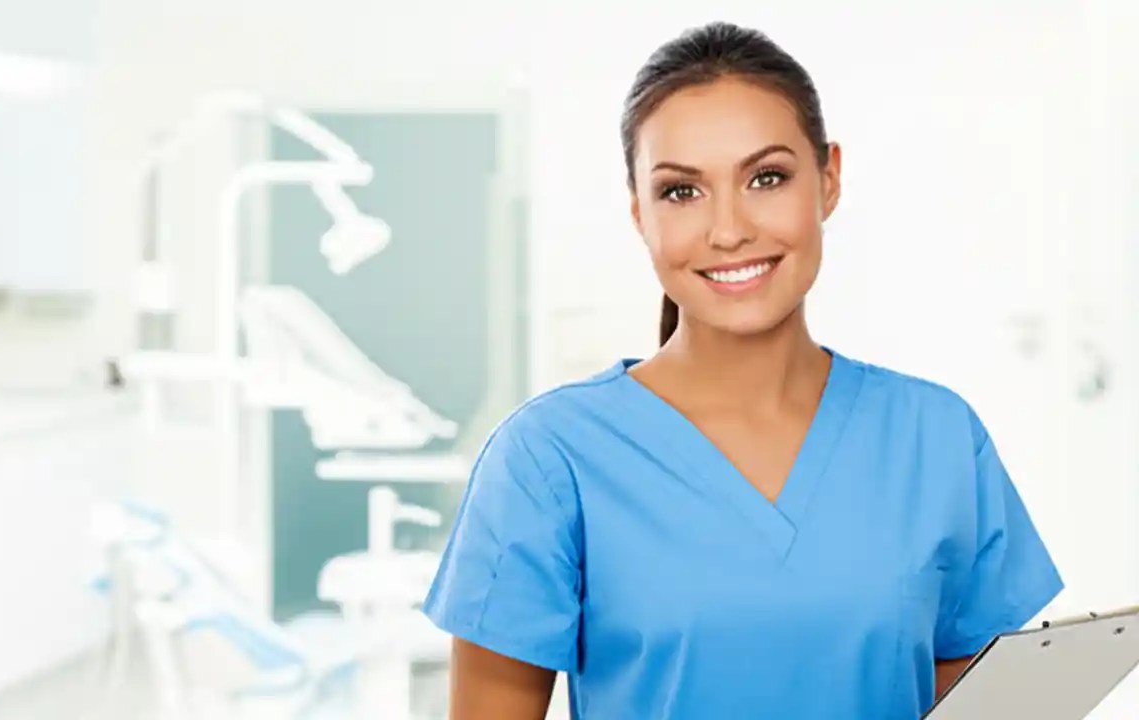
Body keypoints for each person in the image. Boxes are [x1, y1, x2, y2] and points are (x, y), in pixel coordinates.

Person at [422, 21, 1063, 719]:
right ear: (639, 213)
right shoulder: (548, 458)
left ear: (828, 180)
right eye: (681, 192)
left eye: (766, 178)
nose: (728, 230)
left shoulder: (935, 437)